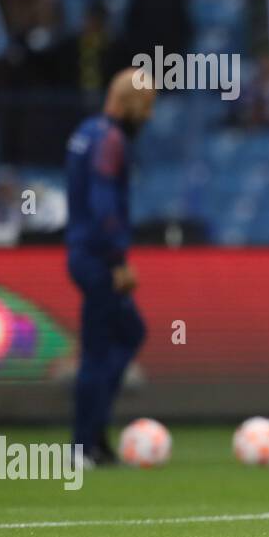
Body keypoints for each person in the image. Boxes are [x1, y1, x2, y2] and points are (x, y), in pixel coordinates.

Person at [65, 69, 155, 466]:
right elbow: (103, 204)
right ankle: (85, 445)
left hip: (83, 252)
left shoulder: (86, 131)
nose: (148, 117)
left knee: (128, 333)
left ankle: (95, 434)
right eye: (146, 107)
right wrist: (118, 259)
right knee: (98, 351)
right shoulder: (112, 140)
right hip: (99, 258)